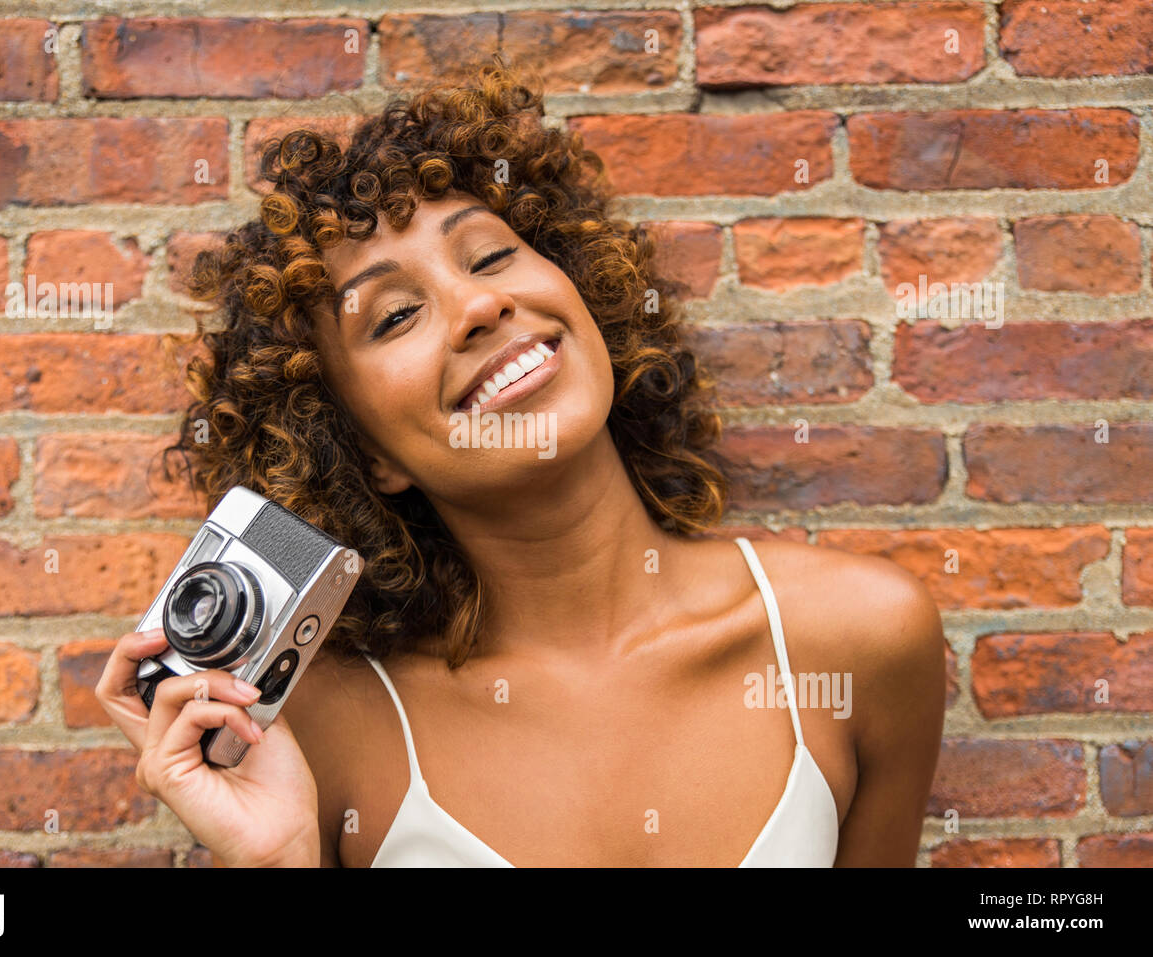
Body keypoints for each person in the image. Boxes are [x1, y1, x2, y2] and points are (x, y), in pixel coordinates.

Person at [95, 57, 946, 867]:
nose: (479, 304)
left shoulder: (856, 640)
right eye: (395, 317)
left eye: (491, 255)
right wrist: (274, 857)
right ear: (369, 454)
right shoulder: (315, 734)